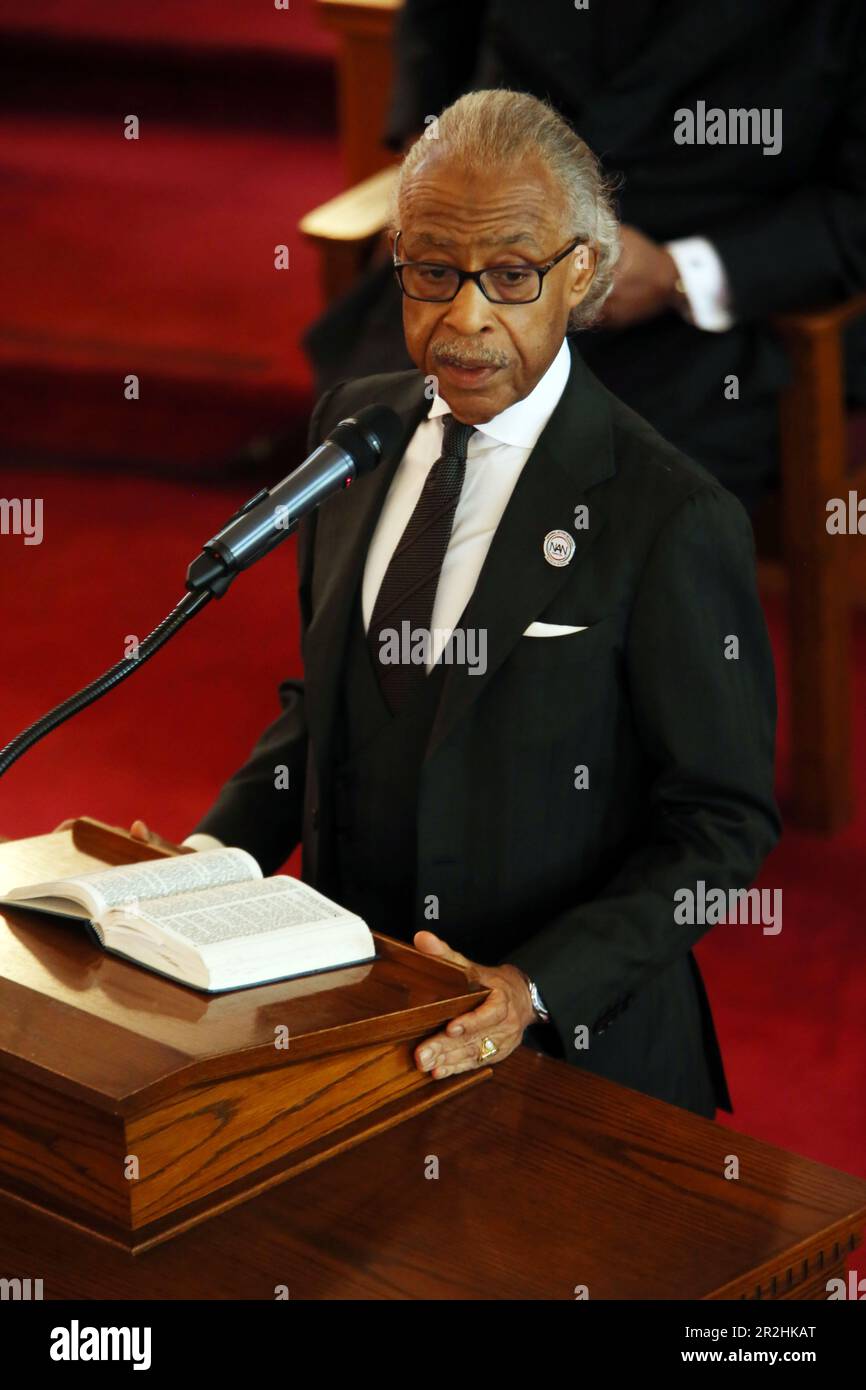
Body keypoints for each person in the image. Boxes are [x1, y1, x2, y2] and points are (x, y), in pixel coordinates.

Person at [133, 91, 780, 1117]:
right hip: (354, 1023)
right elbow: (326, 702)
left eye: (509, 277)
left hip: (572, 1068)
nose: (463, 316)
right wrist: (208, 864)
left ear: (580, 273)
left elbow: (717, 823)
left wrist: (529, 989)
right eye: (431, 273)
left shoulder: (669, 514)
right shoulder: (353, 427)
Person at [305, 0, 866, 513]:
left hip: (706, 324)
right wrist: (432, 175)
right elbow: (438, 25)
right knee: (367, 461)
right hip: (475, 263)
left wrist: (681, 274)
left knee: (588, 522)